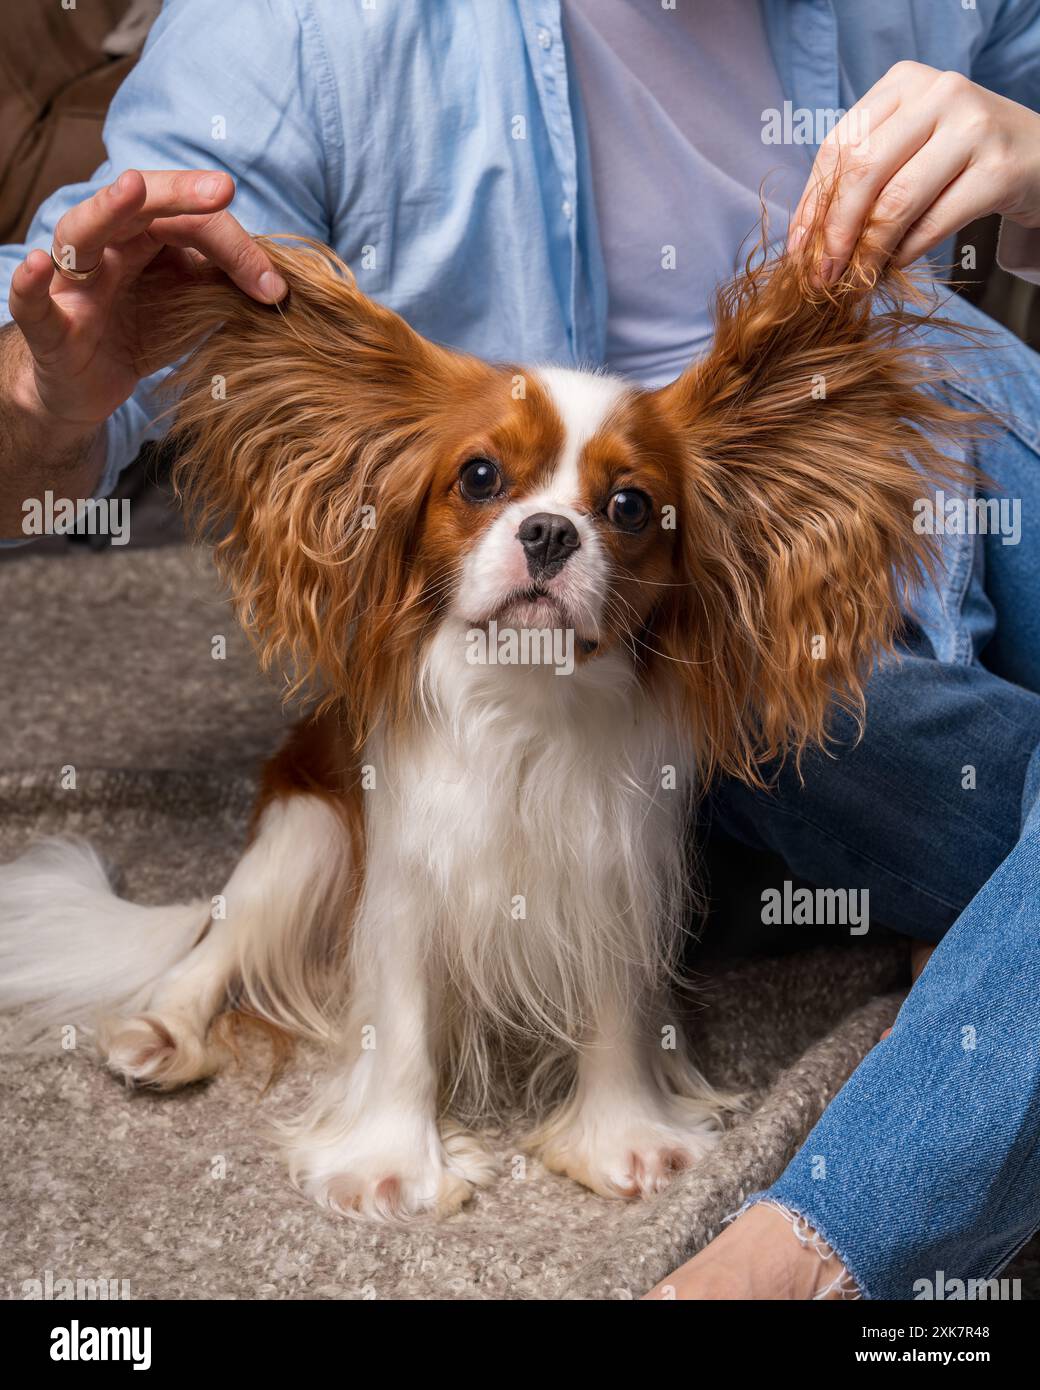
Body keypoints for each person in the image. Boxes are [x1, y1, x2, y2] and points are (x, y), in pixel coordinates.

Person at [2, 0, 1039, 1299]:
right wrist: (42, 393)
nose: (544, 520)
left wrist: (1034, 163)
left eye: (594, 505)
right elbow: (59, 373)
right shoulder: (297, 30)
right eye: (491, 479)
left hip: (945, 450)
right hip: (747, 669)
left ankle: (932, 1024)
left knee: (983, 368)